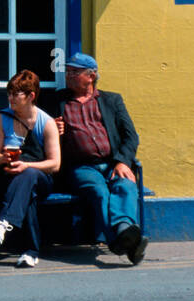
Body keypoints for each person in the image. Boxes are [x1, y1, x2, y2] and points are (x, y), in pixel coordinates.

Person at [57, 53, 147, 264]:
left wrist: (123, 161)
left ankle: (121, 237)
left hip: (113, 162)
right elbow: (40, 129)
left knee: (125, 186)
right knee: (99, 192)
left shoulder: (111, 100)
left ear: (91, 75)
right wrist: (52, 128)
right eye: (68, 72)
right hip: (82, 166)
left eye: (75, 72)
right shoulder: (58, 101)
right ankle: (127, 239)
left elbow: (130, 136)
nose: (68, 76)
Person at [0, 70, 61, 268]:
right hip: (7, 177)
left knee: (29, 176)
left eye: (15, 94)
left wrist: (27, 165)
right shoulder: (1, 119)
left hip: (40, 178)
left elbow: (54, 163)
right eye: (9, 93)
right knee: (28, 196)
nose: (10, 98)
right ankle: (31, 251)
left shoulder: (47, 123)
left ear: (31, 96)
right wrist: (5, 158)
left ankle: (3, 220)